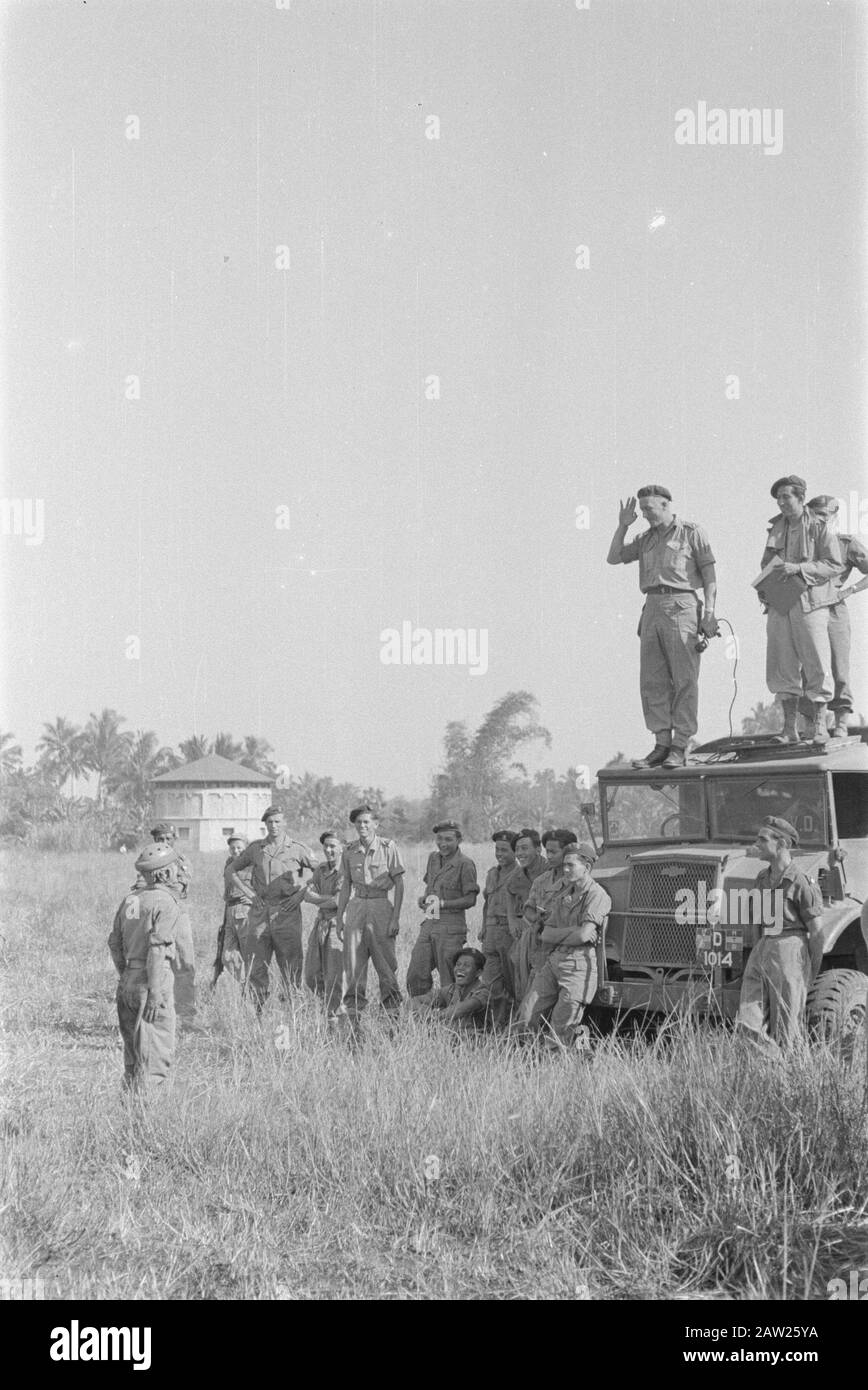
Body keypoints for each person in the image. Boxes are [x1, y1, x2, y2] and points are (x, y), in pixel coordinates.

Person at [607, 486, 718, 769]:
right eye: (641, 509)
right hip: (652, 607)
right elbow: (615, 556)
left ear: (666, 504)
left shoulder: (691, 532)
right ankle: (661, 744)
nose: (644, 514)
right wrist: (622, 525)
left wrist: (710, 613)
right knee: (652, 681)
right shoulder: (645, 538)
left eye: (648, 508)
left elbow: (709, 576)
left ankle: (680, 745)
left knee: (684, 680)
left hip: (682, 606)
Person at [758, 476, 842, 744]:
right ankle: (789, 728)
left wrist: (800, 568)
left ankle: (819, 726)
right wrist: (765, 587)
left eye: (786, 497)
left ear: (801, 498)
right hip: (781, 601)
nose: (782, 502)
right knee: (781, 662)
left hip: (811, 601)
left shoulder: (819, 526)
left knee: (816, 661)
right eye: (778, 498)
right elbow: (766, 563)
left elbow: (834, 564)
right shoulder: (776, 528)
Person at [735, 816, 824, 1050]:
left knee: (787, 1025)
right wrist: (758, 949)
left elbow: (816, 933)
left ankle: (788, 1074)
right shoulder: (762, 879)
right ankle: (765, 1065)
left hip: (789, 949)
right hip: (763, 947)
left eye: (762, 839)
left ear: (782, 844)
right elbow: (755, 921)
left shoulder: (801, 882)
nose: (757, 844)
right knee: (748, 1021)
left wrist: (810, 971)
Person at [518, 842, 610, 1050]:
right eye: (564, 865)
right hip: (554, 962)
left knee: (562, 1029)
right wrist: (573, 934)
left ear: (586, 868)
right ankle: (532, 1061)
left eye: (571, 865)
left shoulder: (597, 895)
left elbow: (584, 934)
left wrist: (573, 935)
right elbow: (546, 934)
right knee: (526, 1016)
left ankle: (559, 1070)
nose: (565, 869)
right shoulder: (562, 895)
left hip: (578, 967)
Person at [223, 806, 316, 1007]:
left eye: (277, 821)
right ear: (265, 825)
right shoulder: (256, 849)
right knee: (256, 965)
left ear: (284, 823)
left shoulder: (297, 848)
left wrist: (300, 895)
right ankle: (257, 1013)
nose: (273, 826)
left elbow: (320, 871)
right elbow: (231, 869)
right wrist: (250, 894)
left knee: (291, 966)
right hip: (260, 913)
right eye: (269, 822)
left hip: (287, 912)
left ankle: (294, 1013)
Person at [108, 842, 181, 1092]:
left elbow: (114, 943)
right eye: (174, 868)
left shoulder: (130, 899)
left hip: (128, 979)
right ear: (165, 873)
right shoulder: (166, 902)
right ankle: (148, 1124)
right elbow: (157, 949)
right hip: (152, 982)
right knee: (154, 1061)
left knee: (133, 1062)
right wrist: (155, 992)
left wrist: (126, 973)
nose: (177, 873)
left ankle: (129, 1116)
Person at [804, 495, 868, 738]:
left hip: (833, 609)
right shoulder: (803, 544)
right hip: (807, 608)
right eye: (814, 515)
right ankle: (813, 723)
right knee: (809, 669)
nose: (819, 520)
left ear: (834, 517)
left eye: (824, 515)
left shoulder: (845, 543)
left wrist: (850, 590)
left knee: (839, 667)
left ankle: (841, 721)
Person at [336, 805, 405, 1023]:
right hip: (357, 906)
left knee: (386, 964)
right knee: (354, 964)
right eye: (358, 822)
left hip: (380, 906)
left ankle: (391, 1015)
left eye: (367, 822)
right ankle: (354, 1016)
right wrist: (340, 918)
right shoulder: (349, 850)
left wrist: (395, 918)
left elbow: (400, 883)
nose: (362, 826)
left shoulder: (388, 847)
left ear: (376, 824)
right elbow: (346, 885)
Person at [407, 821, 479, 1003]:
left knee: (450, 978)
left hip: (451, 927)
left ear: (459, 840)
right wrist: (424, 900)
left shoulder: (465, 864)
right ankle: (421, 1014)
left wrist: (444, 903)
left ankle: (452, 1017)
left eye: (448, 839)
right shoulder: (433, 859)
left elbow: (470, 900)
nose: (443, 844)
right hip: (430, 921)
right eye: (439, 839)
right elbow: (430, 886)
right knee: (417, 971)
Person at [515, 828, 579, 1010]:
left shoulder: (576, 882)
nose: (548, 856)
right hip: (538, 945)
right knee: (530, 996)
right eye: (547, 851)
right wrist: (536, 917)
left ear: (568, 852)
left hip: (562, 949)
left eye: (553, 852)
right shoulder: (541, 880)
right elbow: (528, 907)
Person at [150, 822, 199, 1030]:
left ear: (173, 839)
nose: (164, 842)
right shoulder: (149, 859)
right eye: (160, 839)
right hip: (154, 916)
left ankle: (186, 1017)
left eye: (168, 838)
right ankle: (159, 1014)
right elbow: (140, 886)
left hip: (178, 916)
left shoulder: (181, 861)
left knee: (185, 965)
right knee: (154, 963)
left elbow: (180, 886)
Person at [303, 830, 345, 1019]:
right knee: (311, 975)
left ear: (342, 847)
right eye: (326, 846)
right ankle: (326, 1007)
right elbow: (306, 894)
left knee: (335, 977)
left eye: (333, 846)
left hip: (338, 926)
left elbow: (337, 901)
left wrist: (315, 898)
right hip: (320, 924)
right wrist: (320, 899)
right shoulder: (320, 870)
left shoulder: (346, 870)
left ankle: (335, 1017)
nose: (328, 850)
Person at [479, 831, 519, 1026]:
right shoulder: (492, 874)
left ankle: (515, 1025)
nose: (500, 854)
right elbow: (487, 902)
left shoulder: (520, 874)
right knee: (491, 983)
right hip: (491, 933)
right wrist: (483, 927)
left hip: (509, 934)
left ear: (515, 852)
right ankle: (498, 1025)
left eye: (504, 850)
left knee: (514, 983)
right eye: (497, 849)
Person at [505, 829, 548, 1007]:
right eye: (517, 849)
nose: (520, 854)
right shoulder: (517, 875)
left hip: (548, 934)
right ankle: (521, 1014)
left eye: (524, 848)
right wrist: (512, 920)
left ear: (538, 849)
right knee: (518, 966)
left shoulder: (549, 870)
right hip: (528, 932)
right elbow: (509, 892)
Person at [424, 947, 488, 1034]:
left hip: (475, 1042)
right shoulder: (451, 989)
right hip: (451, 1039)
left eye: (467, 966)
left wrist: (432, 1017)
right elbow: (414, 1001)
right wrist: (423, 1012)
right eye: (458, 964)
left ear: (478, 973)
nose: (460, 968)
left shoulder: (483, 992)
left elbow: (459, 1010)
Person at [219, 834, 253, 984]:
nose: (236, 851)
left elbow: (266, 884)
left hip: (244, 910)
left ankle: (253, 987)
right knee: (227, 956)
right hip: (230, 909)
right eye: (232, 848)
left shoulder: (253, 864)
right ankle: (244, 983)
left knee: (248, 952)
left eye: (239, 847)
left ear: (246, 849)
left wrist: (254, 897)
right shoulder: (229, 864)